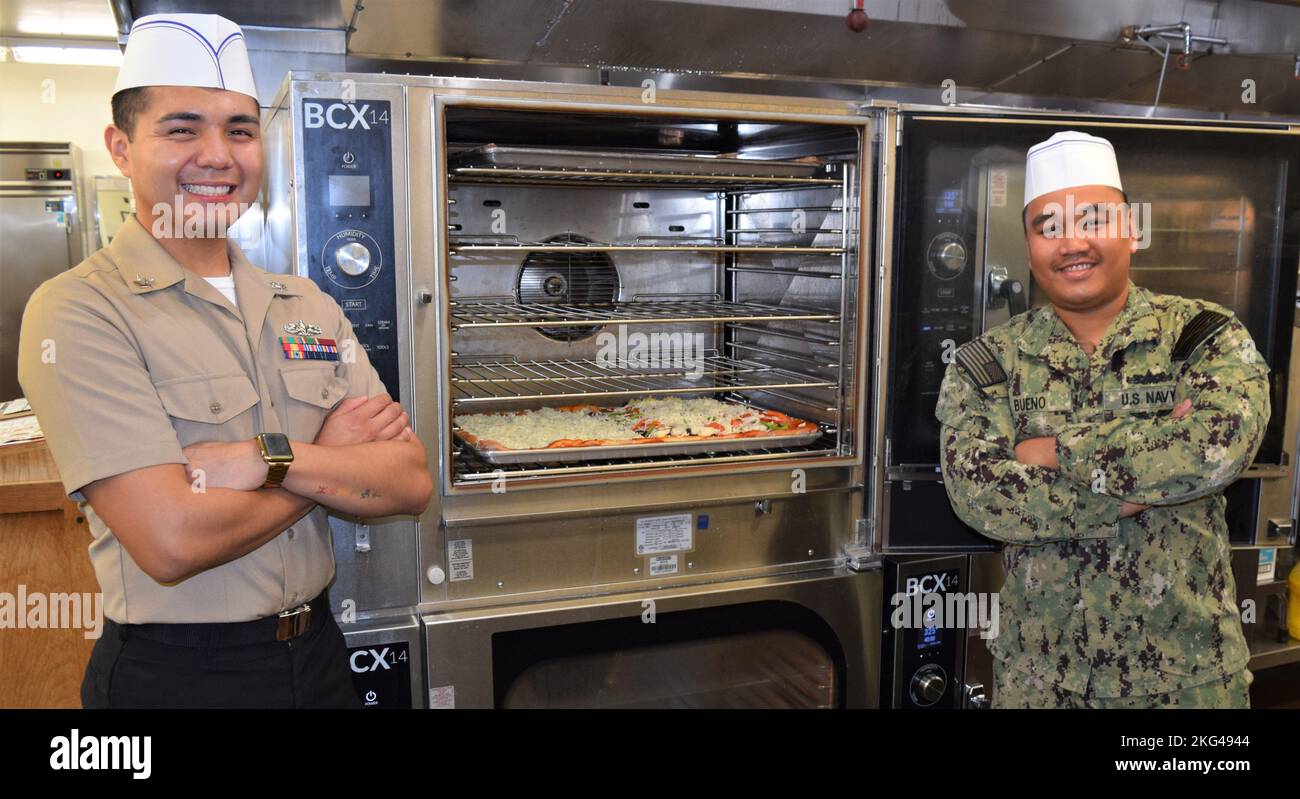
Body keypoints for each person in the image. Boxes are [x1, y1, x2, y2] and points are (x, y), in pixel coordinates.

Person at [17, 13, 432, 708]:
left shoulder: (305, 302)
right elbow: (171, 538)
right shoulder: (79, 311)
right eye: (182, 129)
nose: (218, 154)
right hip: (181, 676)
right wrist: (313, 459)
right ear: (120, 148)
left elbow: (409, 480)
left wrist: (262, 459)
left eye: (239, 130)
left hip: (321, 655)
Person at [935, 131, 1269, 708]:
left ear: (1131, 230)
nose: (1072, 244)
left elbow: (1215, 448)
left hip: (1188, 682)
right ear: (1029, 243)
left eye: (1093, 220)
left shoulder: (1202, 337)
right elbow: (977, 495)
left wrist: (1053, 452)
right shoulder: (988, 364)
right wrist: (1134, 485)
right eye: (1049, 226)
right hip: (1041, 684)